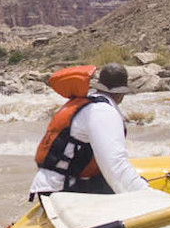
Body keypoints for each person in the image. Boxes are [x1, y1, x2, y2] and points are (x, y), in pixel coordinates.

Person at [29, 62, 152, 200]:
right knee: (135, 190)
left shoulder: (87, 103)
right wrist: (147, 196)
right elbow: (115, 166)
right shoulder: (103, 112)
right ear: (121, 93)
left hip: (52, 188)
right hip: (62, 193)